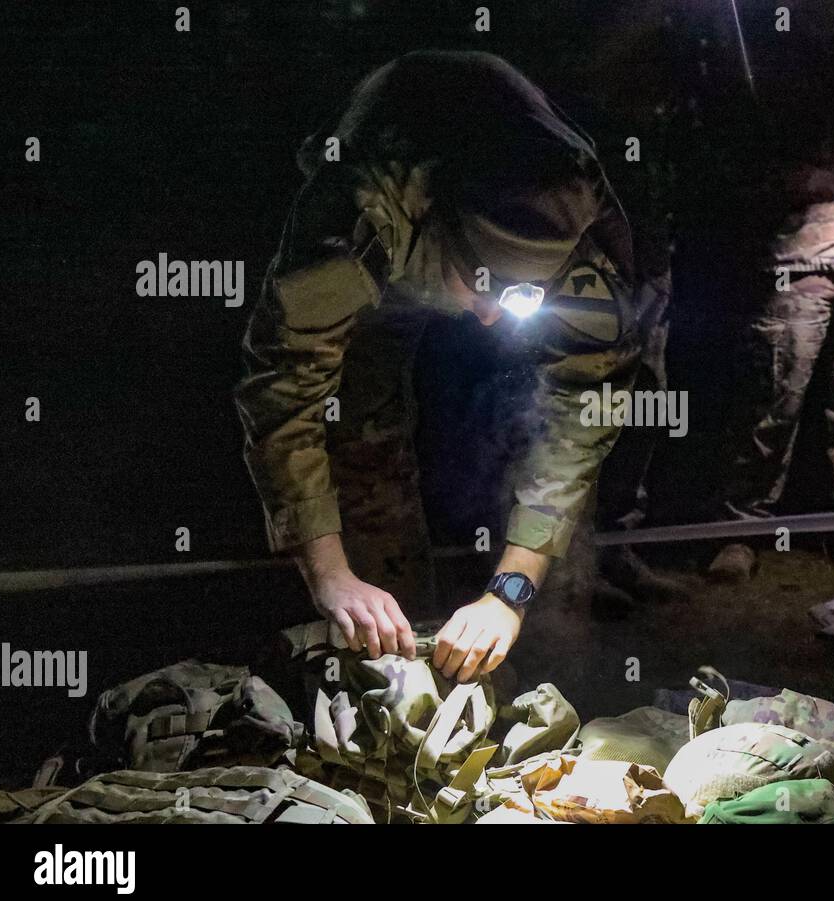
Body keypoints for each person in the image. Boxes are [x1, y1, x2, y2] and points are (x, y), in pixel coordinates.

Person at [235, 51, 641, 681]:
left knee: (545, 471)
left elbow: (586, 412)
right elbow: (286, 390)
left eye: (519, 296)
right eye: (481, 288)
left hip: (467, 234)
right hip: (388, 251)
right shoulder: (361, 217)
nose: (491, 318)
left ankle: (548, 666)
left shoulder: (580, 240)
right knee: (359, 426)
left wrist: (510, 593)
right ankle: (391, 647)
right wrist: (331, 572)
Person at [709, 137, 834, 582]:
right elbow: (732, 171)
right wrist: (797, 182)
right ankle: (740, 530)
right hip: (798, 263)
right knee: (772, 401)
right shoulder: (779, 103)